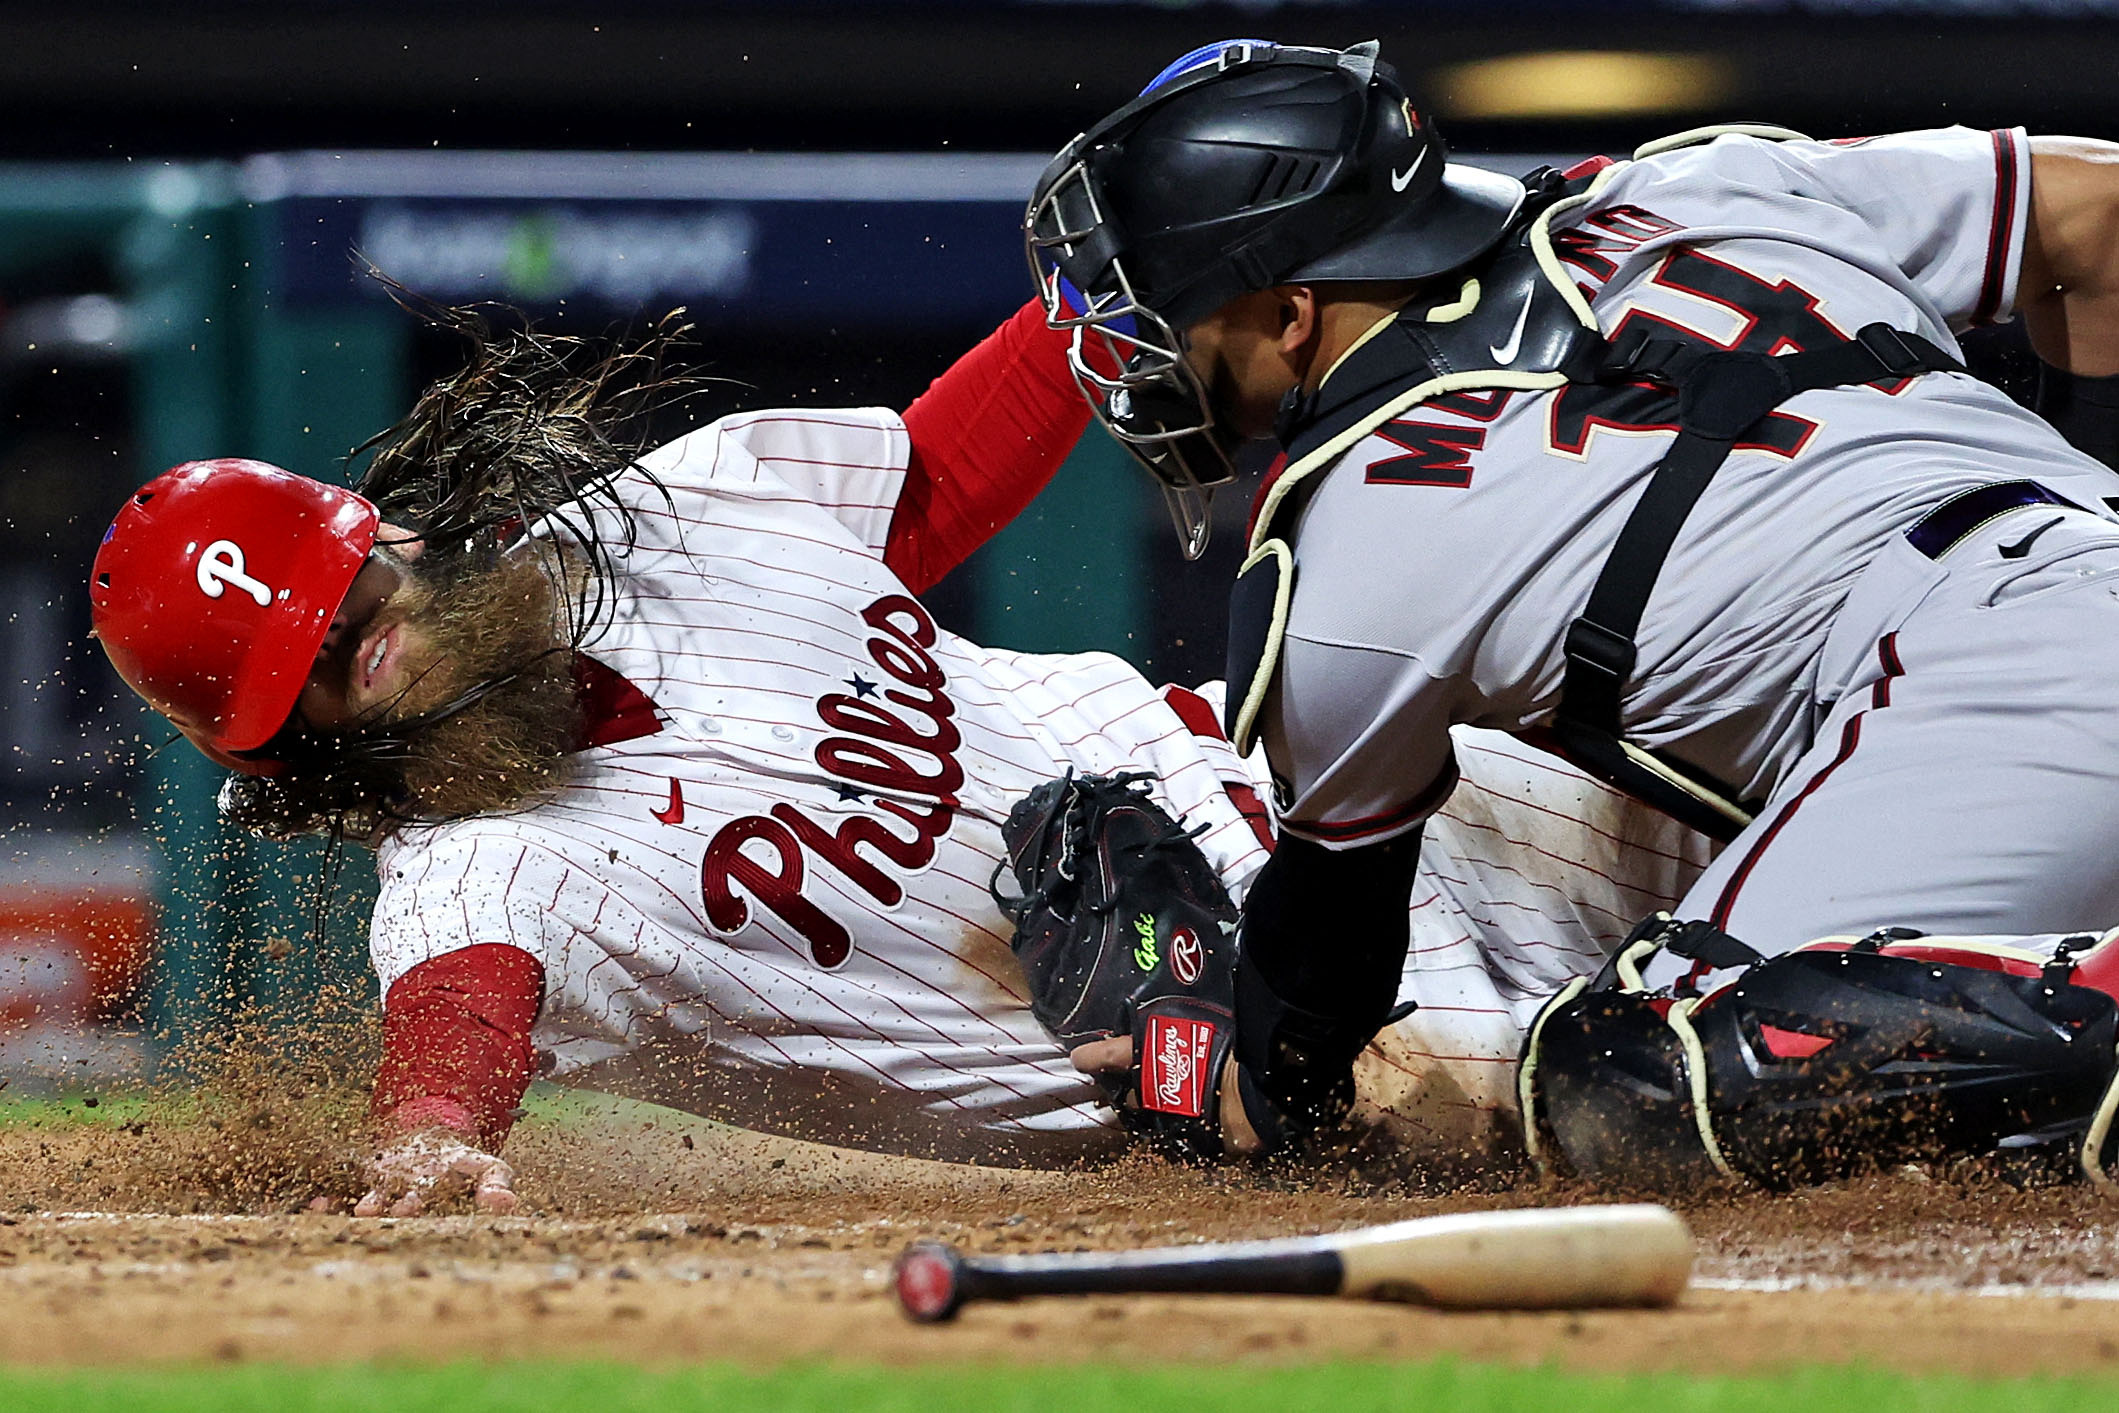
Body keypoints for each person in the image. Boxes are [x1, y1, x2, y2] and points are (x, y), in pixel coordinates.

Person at [89, 294, 1708, 1213]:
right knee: (1655, 1085)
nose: (375, 646)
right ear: (304, 755)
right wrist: (436, 1142)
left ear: (402, 539)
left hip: (1330, 781)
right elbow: (452, 1034)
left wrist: (1093, 307)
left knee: (1738, 776)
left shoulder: (660, 522)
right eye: (324, 674)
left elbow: (925, 480)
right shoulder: (479, 878)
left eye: (356, 601)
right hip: (1258, 1038)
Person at [1029, 38, 2119, 1163]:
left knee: (1641, 1071)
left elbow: (1326, 953)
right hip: (2056, 593)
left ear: (1292, 312)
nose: (1133, 347)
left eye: (1162, 307)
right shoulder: (1695, 184)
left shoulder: (1357, 534)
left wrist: (1245, 1088)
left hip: (2002, 694)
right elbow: (2100, 213)